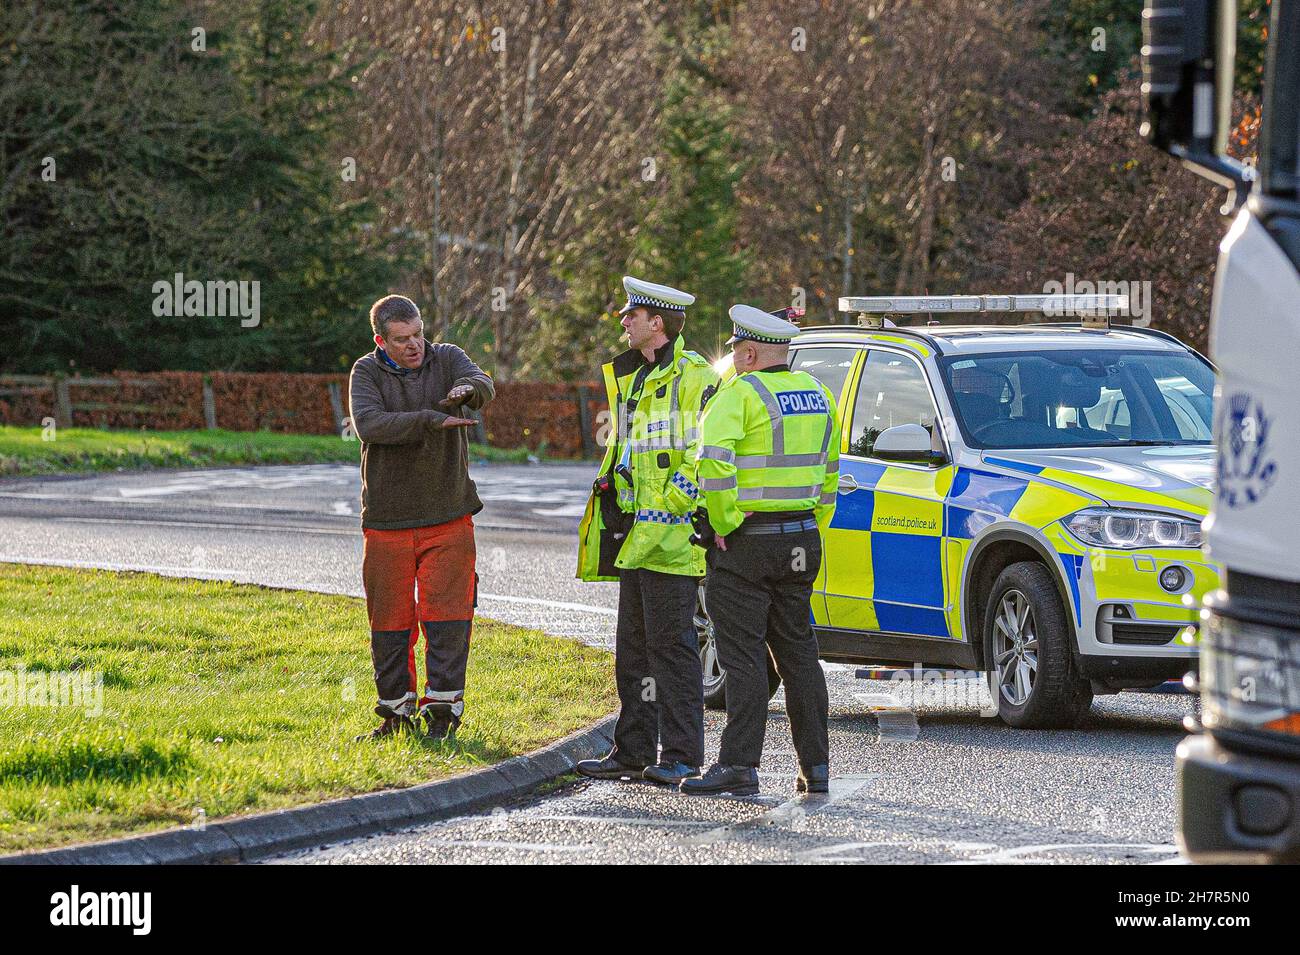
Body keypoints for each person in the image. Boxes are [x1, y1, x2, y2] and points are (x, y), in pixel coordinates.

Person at [681, 303, 840, 796]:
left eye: (734, 351)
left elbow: (712, 464)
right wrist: (812, 523)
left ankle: (739, 766)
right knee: (799, 655)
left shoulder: (739, 394)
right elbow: (831, 469)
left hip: (747, 544)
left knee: (743, 657)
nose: (731, 360)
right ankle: (815, 767)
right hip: (801, 538)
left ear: (749, 352)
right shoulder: (817, 394)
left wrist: (725, 522)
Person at [576, 276, 720, 785]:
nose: (623, 319)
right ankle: (632, 750)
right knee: (633, 651)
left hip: (673, 541)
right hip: (637, 537)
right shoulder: (636, 376)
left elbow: (709, 454)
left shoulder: (694, 376)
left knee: (673, 652)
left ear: (656, 322)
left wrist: (675, 501)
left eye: (631, 314)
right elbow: (632, 451)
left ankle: (682, 755)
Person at [347, 294, 494, 741]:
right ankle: (394, 715)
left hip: (449, 514)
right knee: (390, 622)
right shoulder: (365, 372)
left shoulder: (447, 358)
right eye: (402, 339)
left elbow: (482, 380)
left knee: (448, 618)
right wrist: (431, 419)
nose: (414, 346)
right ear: (381, 340)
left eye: (418, 335)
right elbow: (369, 424)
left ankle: (444, 716)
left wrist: (468, 391)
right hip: (387, 520)